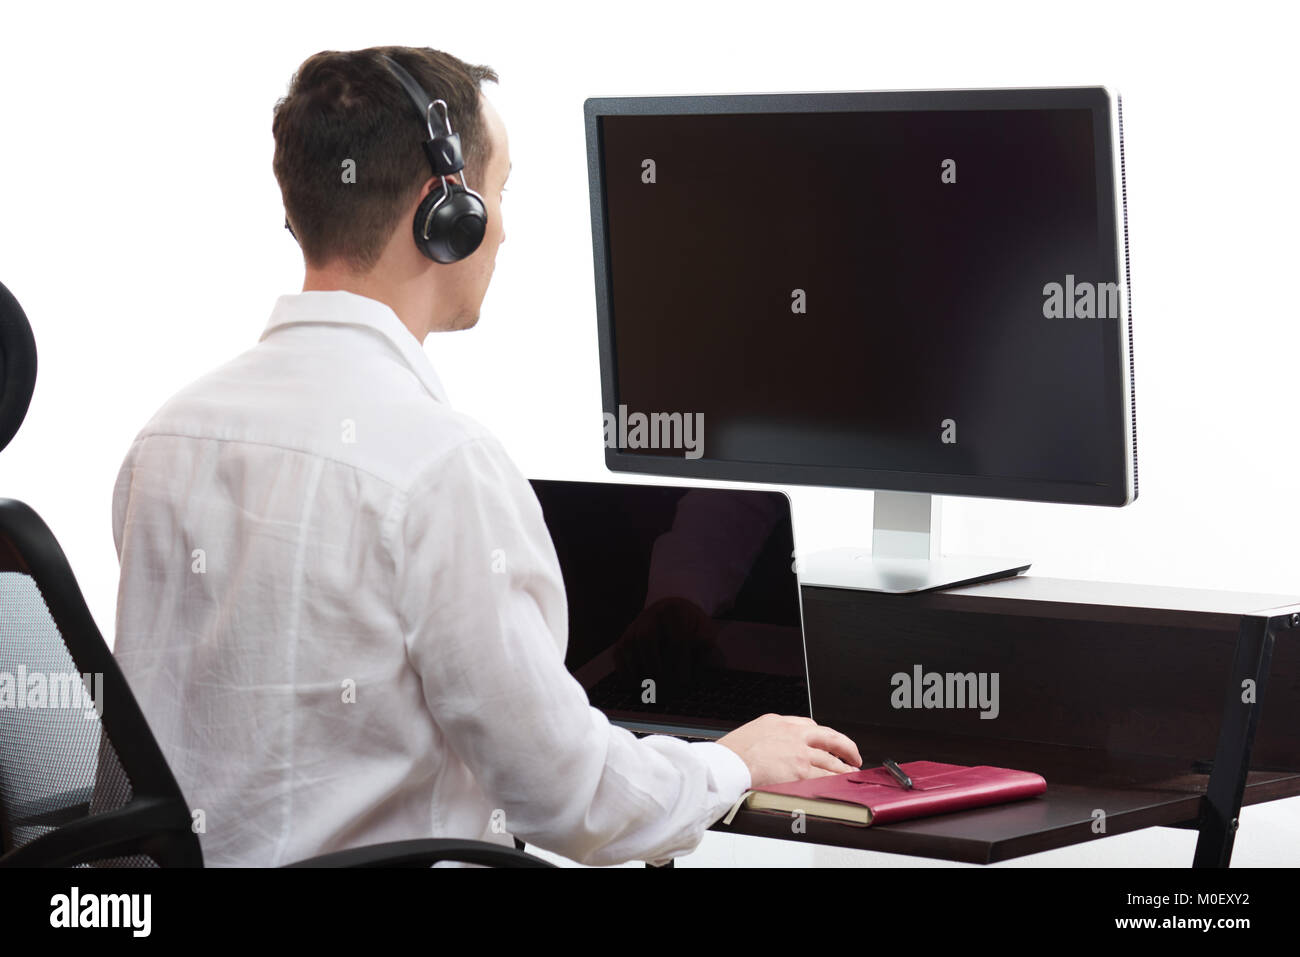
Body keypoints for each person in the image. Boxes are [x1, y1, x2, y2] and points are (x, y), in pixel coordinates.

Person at [111, 44, 862, 868]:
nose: (503, 227)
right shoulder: (440, 466)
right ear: (447, 212)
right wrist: (732, 761)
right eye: (499, 192)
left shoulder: (168, 438)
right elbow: (570, 797)